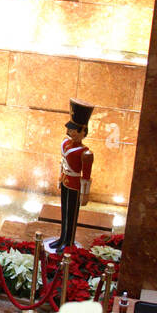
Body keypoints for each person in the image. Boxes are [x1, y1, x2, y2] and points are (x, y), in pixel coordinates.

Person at [49, 99, 95, 252]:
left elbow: (86, 176)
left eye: (74, 130)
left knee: (71, 214)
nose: (70, 132)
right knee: (64, 211)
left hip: (75, 185)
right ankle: (62, 238)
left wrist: (85, 194)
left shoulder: (86, 153)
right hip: (65, 181)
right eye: (70, 129)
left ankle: (69, 242)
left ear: (83, 132)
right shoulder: (65, 144)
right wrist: (59, 178)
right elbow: (62, 163)